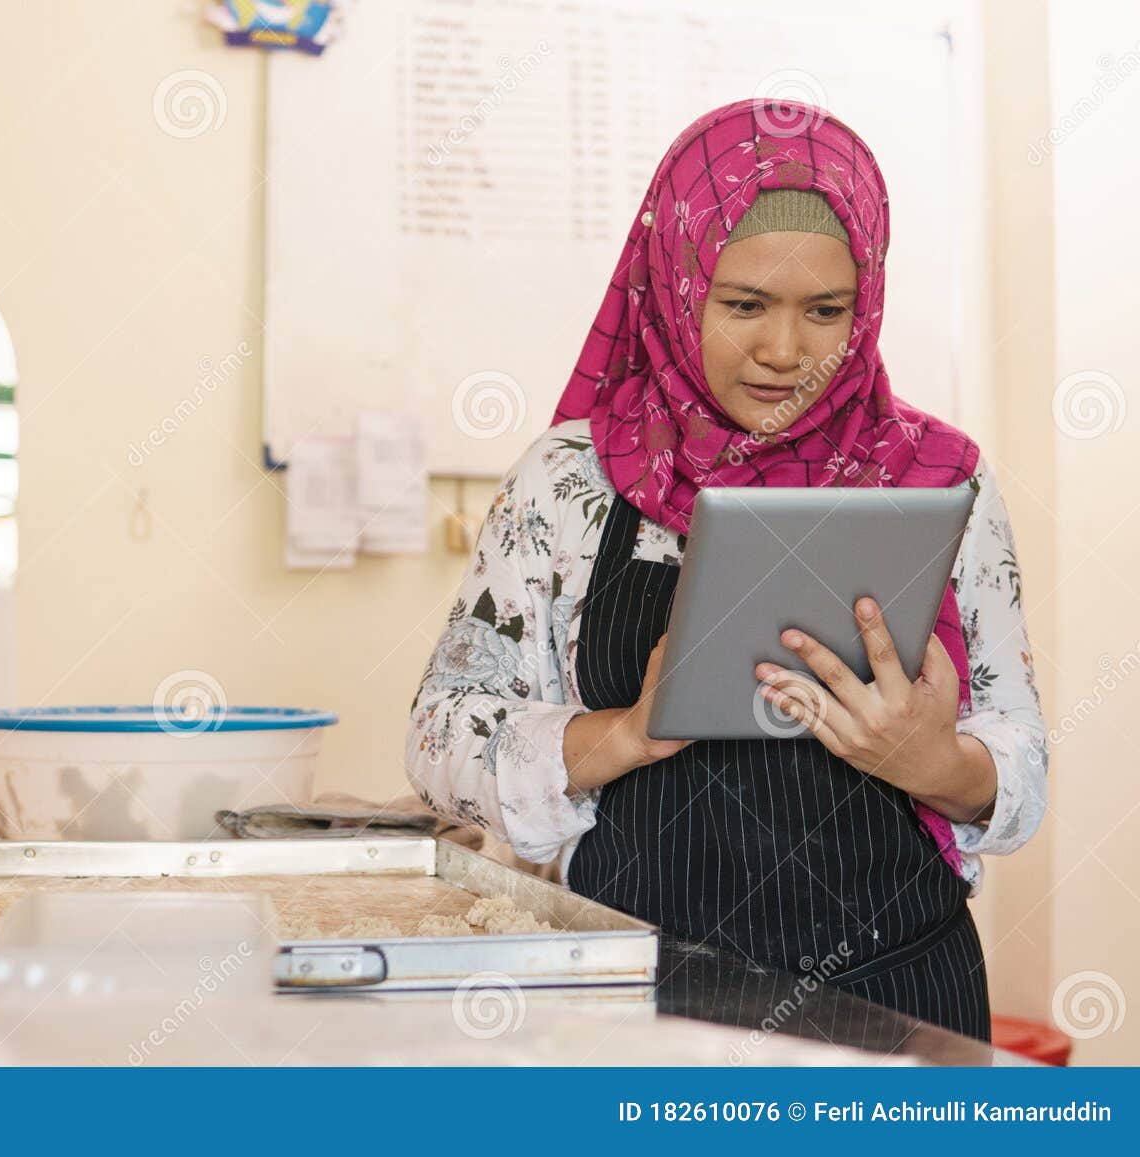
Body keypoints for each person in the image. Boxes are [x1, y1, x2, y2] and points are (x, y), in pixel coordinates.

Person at [404, 100, 1047, 1042]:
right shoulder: (569, 479)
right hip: (632, 996)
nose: (786, 352)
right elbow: (438, 737)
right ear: (674, 285)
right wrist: (621, 733)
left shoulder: (941, 475)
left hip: (900, 995)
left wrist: (938, 763)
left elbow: (1022, 744)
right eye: (745, 304)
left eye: (826, 311)